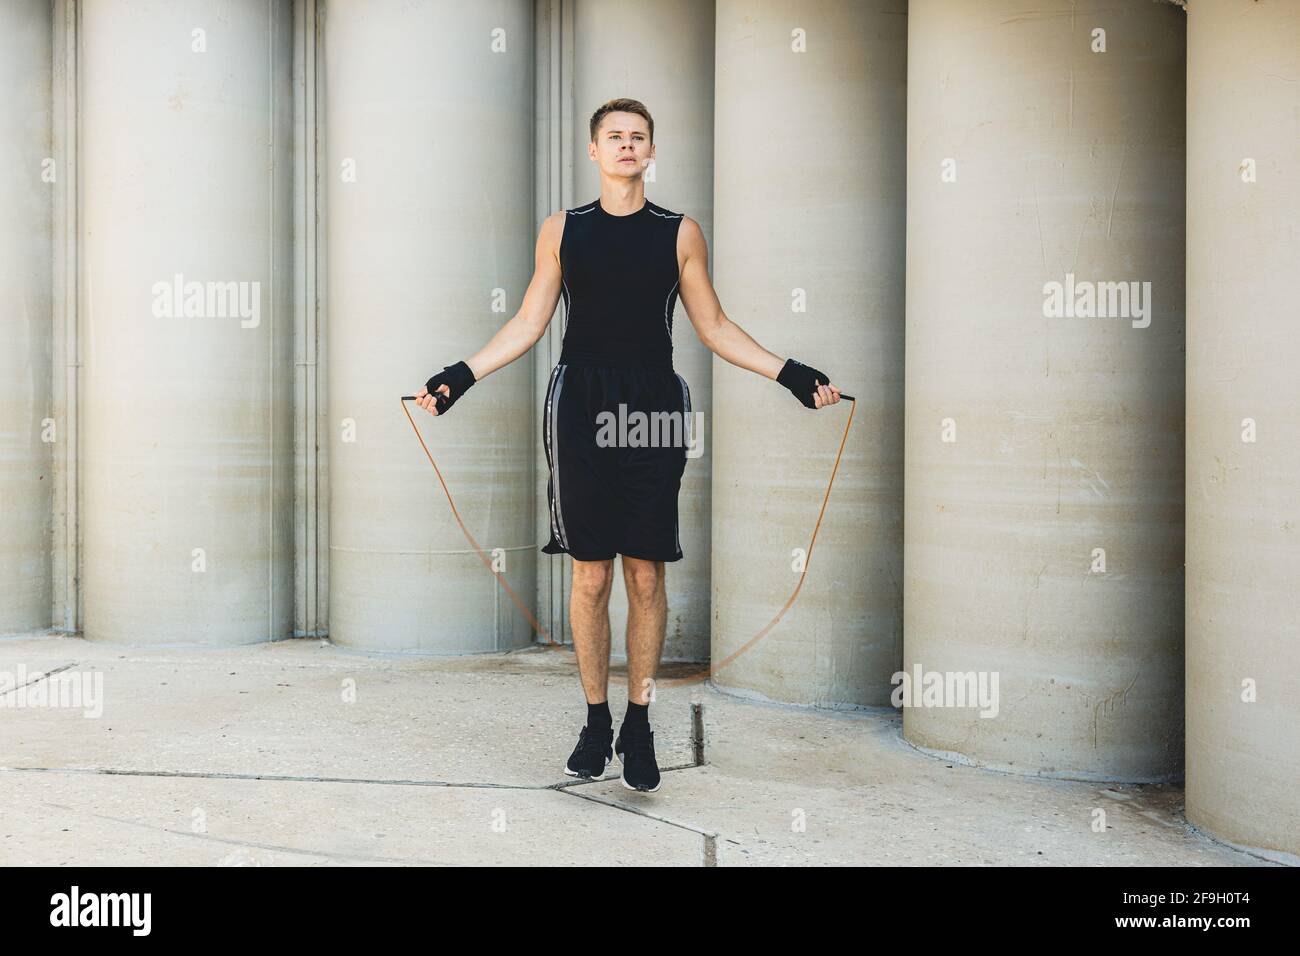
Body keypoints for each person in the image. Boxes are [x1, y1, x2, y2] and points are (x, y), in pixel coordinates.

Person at [415, 97, 841, 793]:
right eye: (614, 136)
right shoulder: (564, 229)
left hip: (653, 407)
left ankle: (639, 720)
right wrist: (457, 378)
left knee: (645, 572)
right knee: (591, 575)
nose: (625, 145)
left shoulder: (679, 233)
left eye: (637, 137)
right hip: (579, 403)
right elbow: (529, 320)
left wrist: (792, 374)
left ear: (649, 152)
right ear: (594, 151)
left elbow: (714, 326)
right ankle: (594, 719)